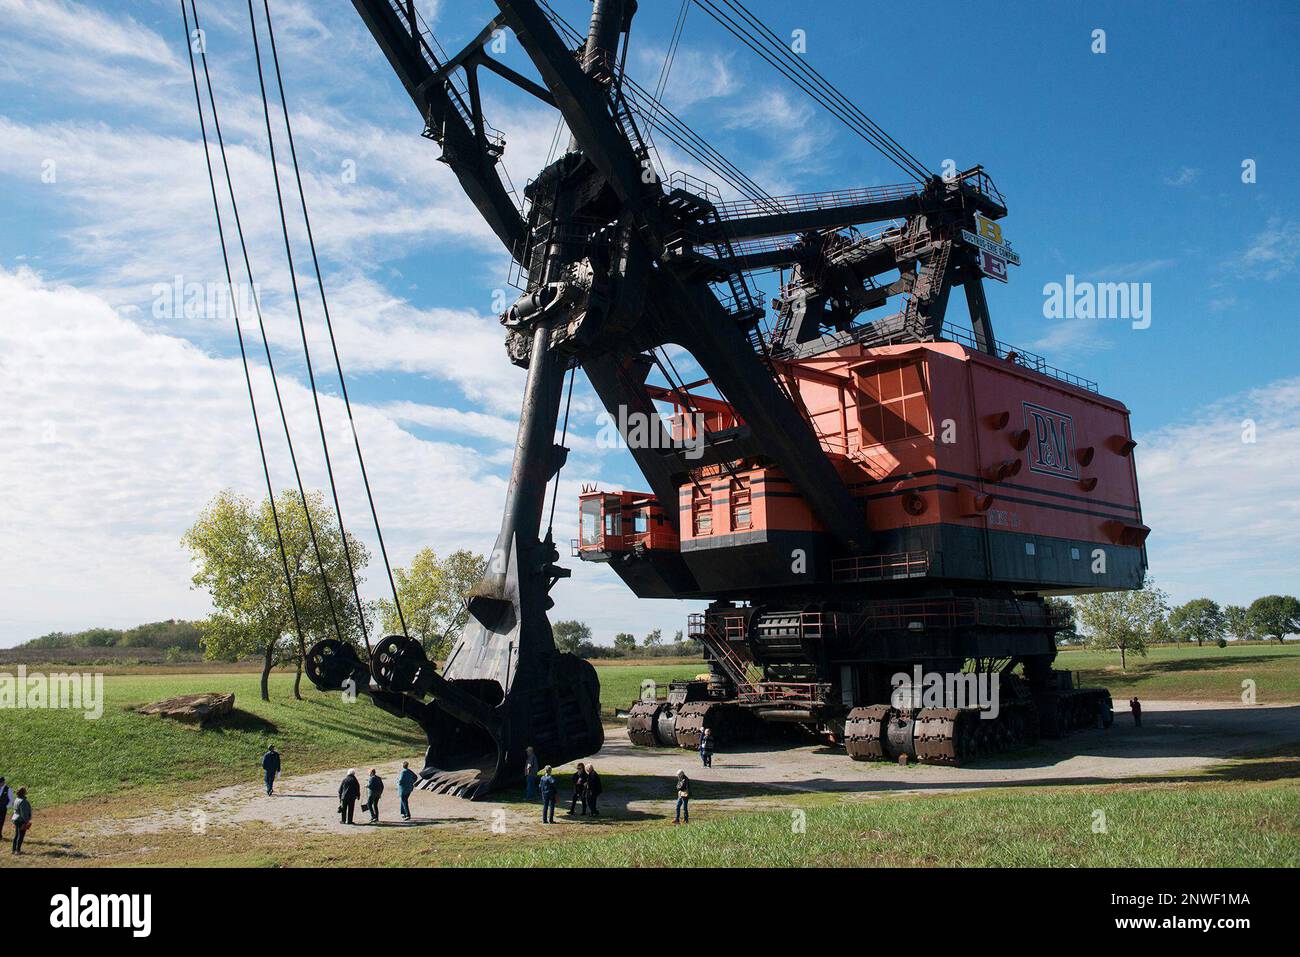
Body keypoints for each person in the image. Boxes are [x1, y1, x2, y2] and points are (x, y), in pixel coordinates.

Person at [10, 787, 31, 854]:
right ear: (23, 793)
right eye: (25, 791)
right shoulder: (23, 801)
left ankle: (13, 850)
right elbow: (24, 813)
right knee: (20, 836)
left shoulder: (17, 799)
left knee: (16, 835)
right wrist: (26, 821)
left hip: (16, 819)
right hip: (21, 820)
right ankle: (17, 851)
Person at [0, 776, 12, 841]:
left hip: (2, 809)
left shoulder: (8, 789)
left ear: (3, 782)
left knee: (1, 822)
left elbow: (11, 800)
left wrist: (6, 807)